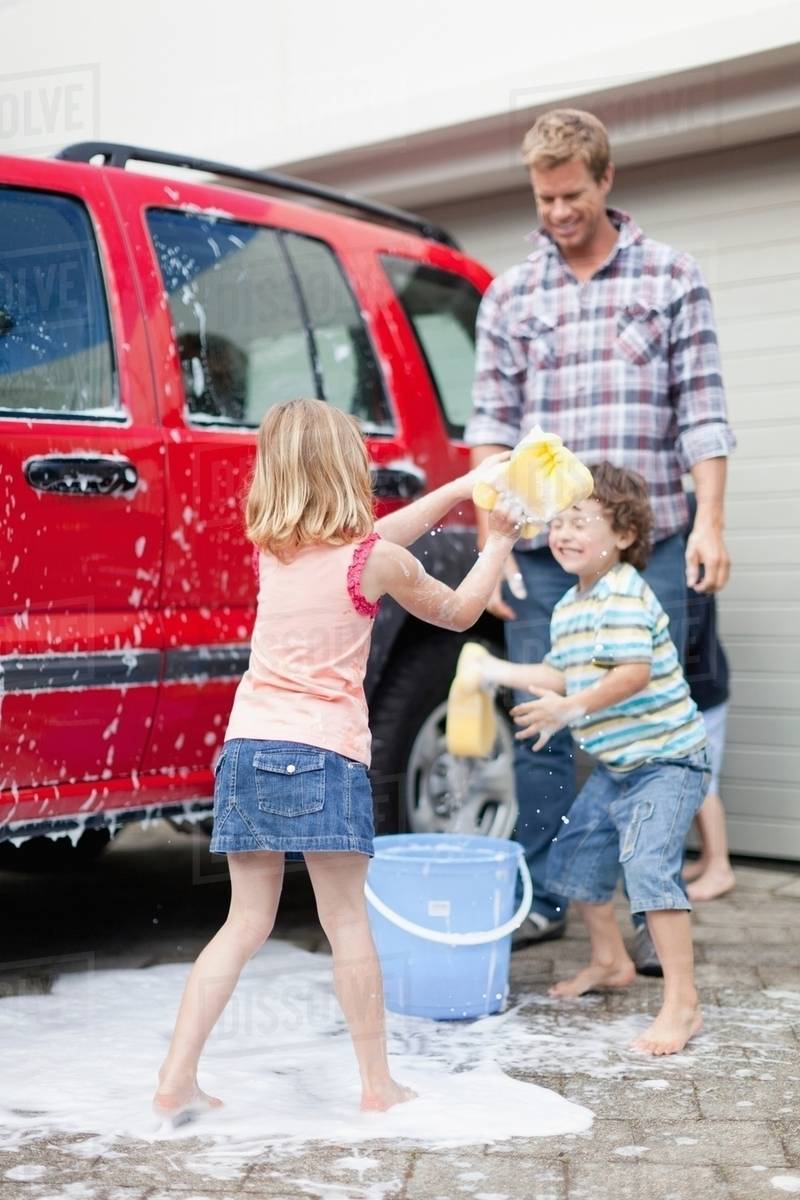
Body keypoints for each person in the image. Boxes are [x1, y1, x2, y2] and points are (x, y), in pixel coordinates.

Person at [151, 398, 523, 1126]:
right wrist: (499, 541)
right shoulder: (373, 562)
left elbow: (382, 533)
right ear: (347, 469)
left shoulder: (274, 550)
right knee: (347, 922)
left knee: (243, 922)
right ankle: (377, 1085)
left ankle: (175, 1077)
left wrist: (459, 489)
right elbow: (459, 612)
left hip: (248, 748)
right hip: (325, 753)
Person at [465, 107, 734, 957]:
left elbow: (704, 413)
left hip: (650, 549)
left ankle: (655, 912)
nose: (557, 212)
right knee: (540, 723)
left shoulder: (672, 276)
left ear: (606, 179)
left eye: (571, 195)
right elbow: (490, 428)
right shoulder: (511, 295)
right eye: (543, 198)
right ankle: (543, 896)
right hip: (544, 553)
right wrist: (491, 546)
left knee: (653, 723)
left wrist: (711, 522)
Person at [475, 463, 710, 1055]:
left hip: (668, 761)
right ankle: (609, 960)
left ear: (625, 535)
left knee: (649, 866)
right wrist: (495, 670)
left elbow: (633, 673)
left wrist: (569, 708)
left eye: (580, 521)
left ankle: (683, 1003)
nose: (563, 532)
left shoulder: (624, 593)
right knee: (577, 856)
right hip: (618, 766)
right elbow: (562, 672)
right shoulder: (570, 605)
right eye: (557, 522)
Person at [683, 496, 735, 901]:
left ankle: (720, 867)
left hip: (704, 692)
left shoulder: (691, 574)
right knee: (698, 777)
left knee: (704, 781)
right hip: (702, 687)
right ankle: (707, 858)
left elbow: (688, 632)